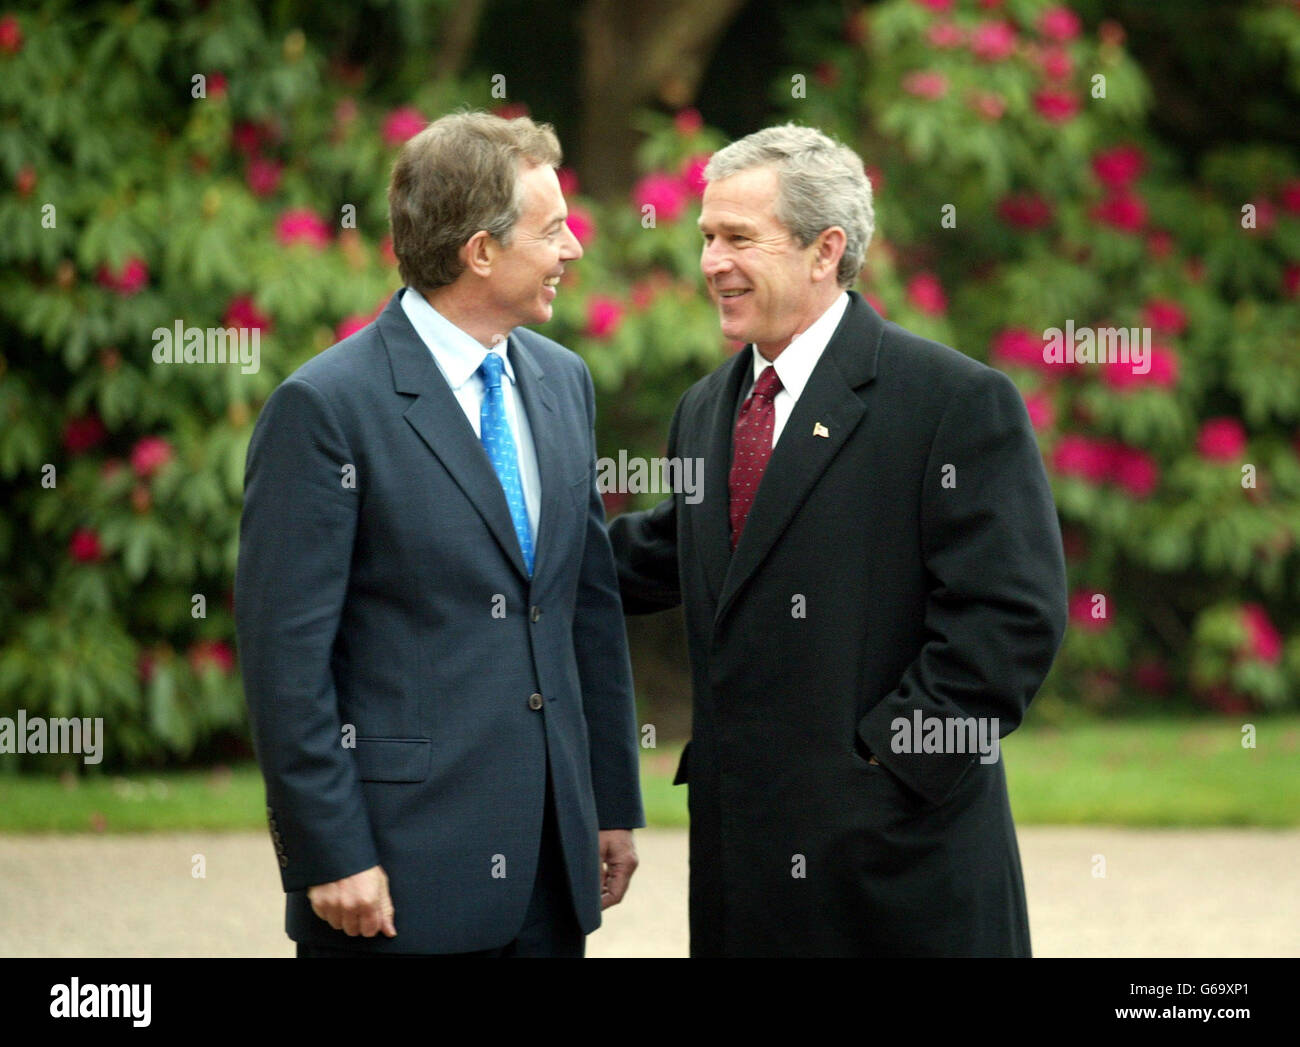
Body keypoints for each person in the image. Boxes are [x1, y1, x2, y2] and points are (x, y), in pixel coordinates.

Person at [608, 124, 1068, 957]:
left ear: (826, 250)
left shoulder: (953, 402)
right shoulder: (707, 408)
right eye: (707, 236)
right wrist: (502, 550)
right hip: (742, 881)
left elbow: (1010, 622)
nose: (711, 260)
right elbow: (668, 550)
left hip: (900, 880)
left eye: (739, 237)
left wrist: (880, 772)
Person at [235, 111, 642, 958]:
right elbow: (285, 661)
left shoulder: (564, 383)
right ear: (480, 251)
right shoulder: (325, 409)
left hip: (549, 875)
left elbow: (584, 612)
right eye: (554, 229)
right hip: (394, 882)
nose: (572, 250)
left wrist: (608, 802)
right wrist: (330, 851)